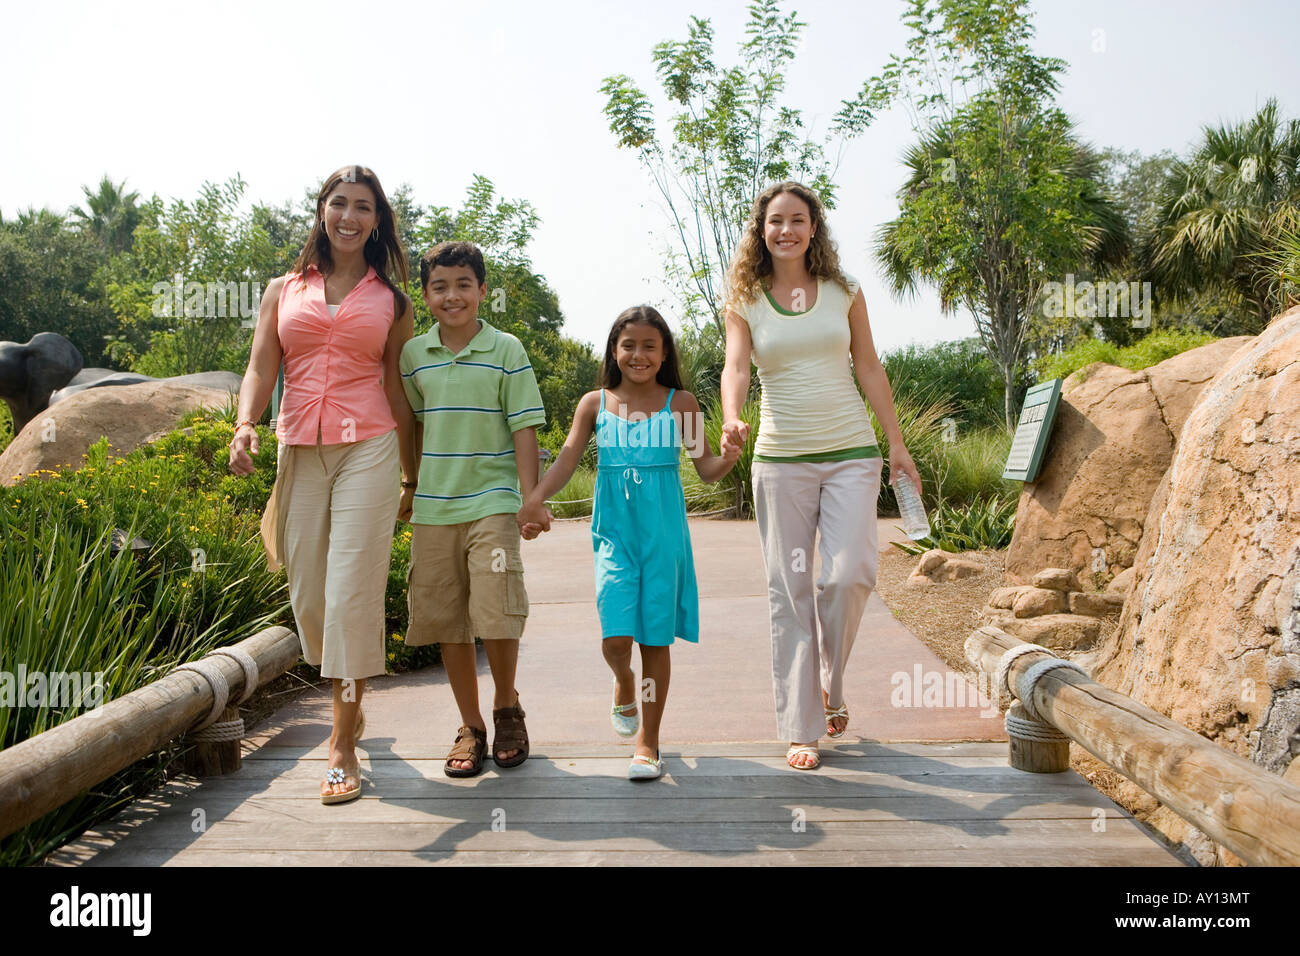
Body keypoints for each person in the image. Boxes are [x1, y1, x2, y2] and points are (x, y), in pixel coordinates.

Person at [229, 165, 418, 804]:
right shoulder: (283, 290)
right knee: (308, 593)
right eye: (339, 203)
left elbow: (395, 385)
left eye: (362, 206)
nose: (349, 215)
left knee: (350, 593)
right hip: (299, 446)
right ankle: (349, 696)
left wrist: (412, 473)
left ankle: (342, 741)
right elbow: (261, 364)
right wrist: (245, 425)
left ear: (376, 220)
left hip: (368, 444)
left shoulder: (392, 301)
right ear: (321, 211)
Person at [719, 180, 922, 771]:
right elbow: (735, 366)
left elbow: (868, 364)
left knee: (849, 575)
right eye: (775, 221)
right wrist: (733, 418)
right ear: (762, 230)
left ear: (814, 229)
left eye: (798, 220)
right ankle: (802, 726)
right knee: (790, 592)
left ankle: (831, 679)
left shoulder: (845, 290)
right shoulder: (745, 299)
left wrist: (897, 443)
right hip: (780, 460)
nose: (786, 230)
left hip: (851, 453)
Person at [518, 306, 739, 779]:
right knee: (616, 635)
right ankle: (623, 682)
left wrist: (731, 455)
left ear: (663, 355)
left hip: (664, 538)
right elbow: (565, 461)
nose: (638, 355)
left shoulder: (682, 404)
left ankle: (649, 743)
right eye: (629, 345)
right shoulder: (593, 404)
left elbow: (706, 468)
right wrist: (535, 500)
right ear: (615, 351)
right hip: (615, 535)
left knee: (654, 637)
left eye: (649, 346)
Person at [398, 241, 546, 778]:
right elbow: (412, 426)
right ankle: (471, 725)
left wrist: (531, 498)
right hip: (435, 507)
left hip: (493, 502)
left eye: (464, 284)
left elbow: (524, 427)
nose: (452, 295)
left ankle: (506, 706)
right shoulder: (414, 355)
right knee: (447, 619)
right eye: (440, 286)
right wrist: (410, 485)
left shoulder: (506, 349)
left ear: (483, 291)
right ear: (426, 294)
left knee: (498, 607)